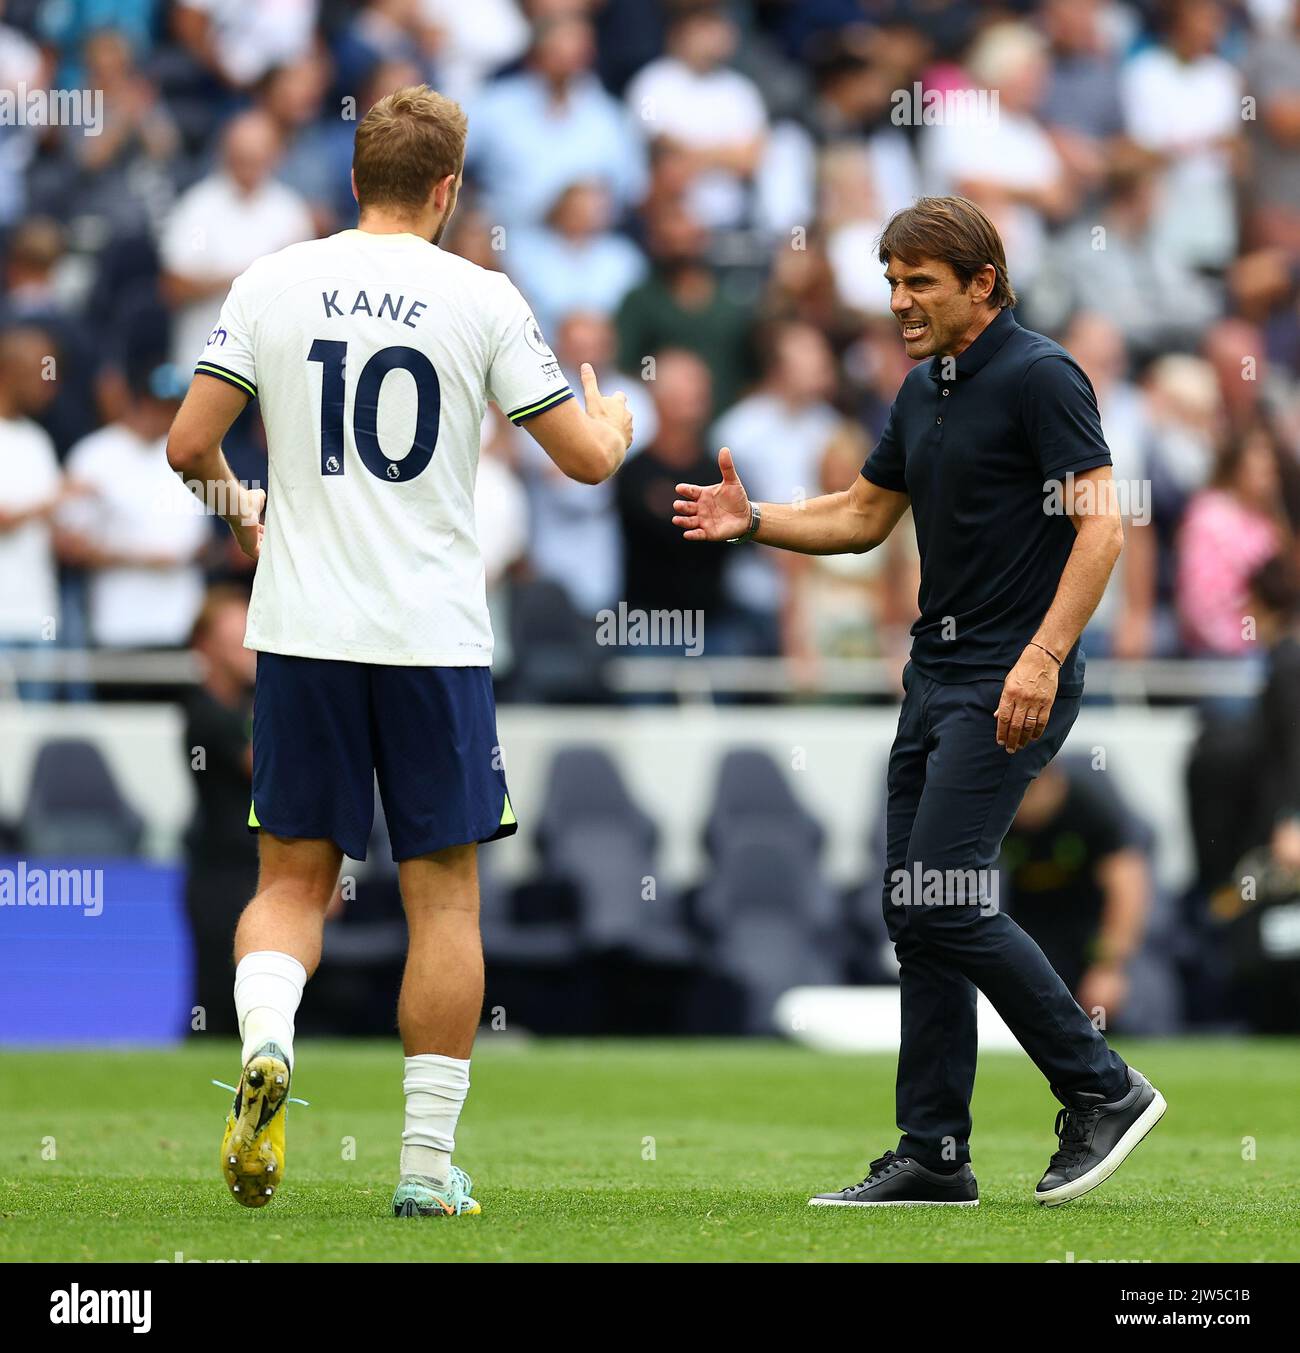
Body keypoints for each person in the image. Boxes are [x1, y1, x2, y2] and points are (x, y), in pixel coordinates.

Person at [164, 84, 632, 1219]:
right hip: (430, 640)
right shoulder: (480, 295)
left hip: (302, 630)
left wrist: (242, 508)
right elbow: (582, 462)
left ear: (353, 176)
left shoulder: (275, 278)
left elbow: (189, 444)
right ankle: (423, 1171)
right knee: (447, 908)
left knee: (290, 882)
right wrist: (615, 421)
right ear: (448, 189)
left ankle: (268, 1048)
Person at [672, 195, 1166, 1208]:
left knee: (941, 893)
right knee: (917, 909)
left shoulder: (1040, 375)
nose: (897, 299)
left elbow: (1102, 528)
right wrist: (754, 518)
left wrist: (1041, 655)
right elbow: (860, 517)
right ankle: (934, 1152)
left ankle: (1102, 1087)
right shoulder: (920, 386)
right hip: (933, 674)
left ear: (982, 283)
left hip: (1007, 673)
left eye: (918, 282)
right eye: (890, 280)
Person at [182, 586, 257, 1038]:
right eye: (233, 637)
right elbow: (268, 766)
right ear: (205, 646)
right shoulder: (203, 713)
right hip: (220, 873)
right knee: (218, 996)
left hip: (256, 865)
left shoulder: (251, 705)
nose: (245, 646)